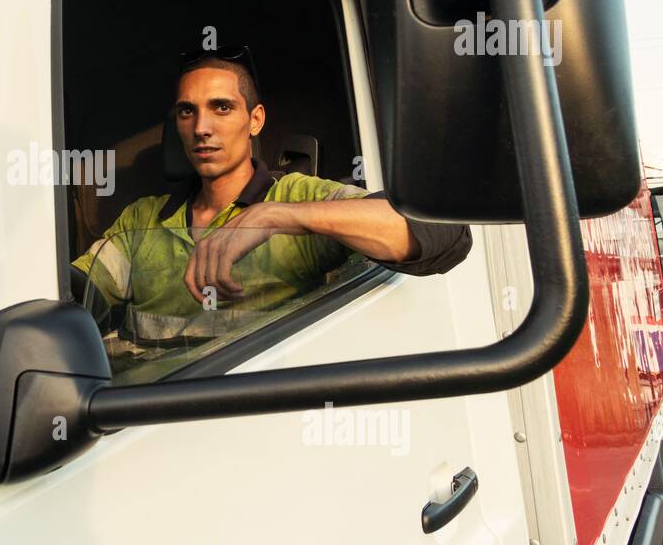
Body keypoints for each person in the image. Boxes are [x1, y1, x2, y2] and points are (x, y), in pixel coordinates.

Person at [73, 46, 471, 341]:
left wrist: (275, 216)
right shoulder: (143, 219)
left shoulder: (297, 196)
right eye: (186, 111)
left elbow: (441, 234)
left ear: (255, 120)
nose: (201, 128)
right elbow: (75, 297)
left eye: (222, 108)